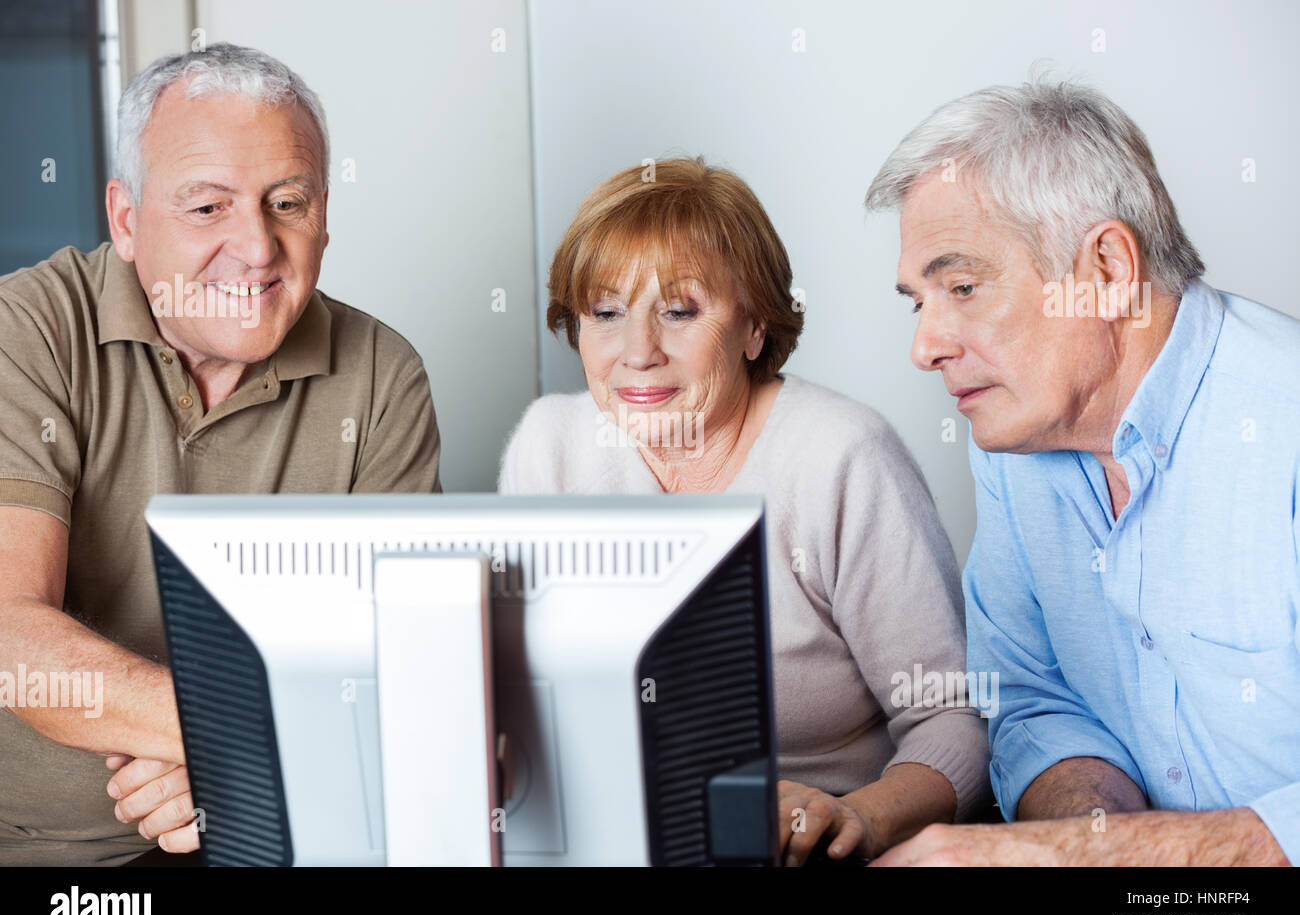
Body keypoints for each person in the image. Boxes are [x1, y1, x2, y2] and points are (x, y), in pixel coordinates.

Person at [0, 43, 441, 865]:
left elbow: (403, 671)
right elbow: (9, 636)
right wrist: (237, 737)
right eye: (207, 208)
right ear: (126, 220)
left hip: (268, 830)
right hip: (33, 852)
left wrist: (237, 770)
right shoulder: (26, 333)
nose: (259, 246)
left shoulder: (383, 375)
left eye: (287, 202)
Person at [499, 158, 991, 865]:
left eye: (679, 311)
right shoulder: (550, 446)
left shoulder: (842, 456)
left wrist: (858, 819)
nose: (638, 353)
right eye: (606, 313)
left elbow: (955, 718)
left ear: (754, 327)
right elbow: (525, 703)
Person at [865, 78, 1297, 865]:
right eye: (918, 301)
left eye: (962, 288)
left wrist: (1091, 859)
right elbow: (1035, 700)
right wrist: (1086, 840)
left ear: (1106, 268)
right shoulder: (1015, 434)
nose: (925, 347)